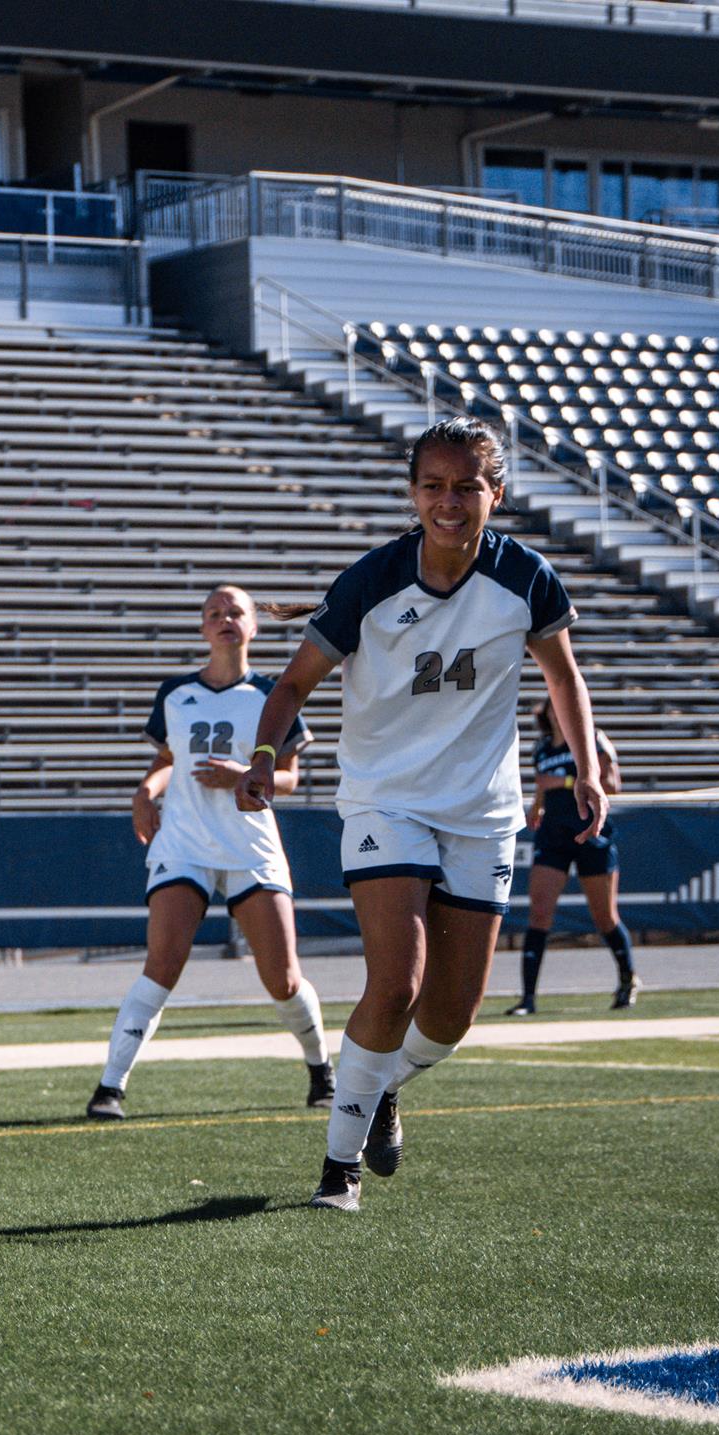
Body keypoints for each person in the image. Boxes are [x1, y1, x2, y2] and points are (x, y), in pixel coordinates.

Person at [239, 417, 604, 1213]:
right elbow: (292, 684)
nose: (449, 502)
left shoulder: (528, 578)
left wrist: (586, 766)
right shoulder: (371, 580)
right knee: (396, 982)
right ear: (412, 494)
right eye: (433, 486)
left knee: (449, 1020)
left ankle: (384, 1088)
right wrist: (264, 756)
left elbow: (563, 677)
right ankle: (338, 1169)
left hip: (481, 811)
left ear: (495, 494)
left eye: (467, 486)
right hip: (387, 801)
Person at [86, 585, 332, 1121]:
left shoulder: (272, 693)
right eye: (214, 613)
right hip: (185, 841)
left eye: (235, 612)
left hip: (250, 841)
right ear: (202, 627)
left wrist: (244, 775)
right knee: (162, 965)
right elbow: (170, 759)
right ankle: (110, 1087)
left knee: (283, 978)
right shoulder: (176, 693)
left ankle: (321, 1070)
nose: (225, 619)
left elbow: (289, 777)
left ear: (253, 626)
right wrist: (144, 792)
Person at [506, 699, 636, 1015]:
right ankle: (528, 998)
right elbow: (542, 785)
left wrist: (566, 782)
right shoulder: (541, 747)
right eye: (553, 707)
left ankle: (627, 979)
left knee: (604, 917)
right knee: (539, 913)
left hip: (591, 832)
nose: (558, 712)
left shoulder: (593, 739)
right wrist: (537, 806)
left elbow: (612, 785)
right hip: (553, 836)